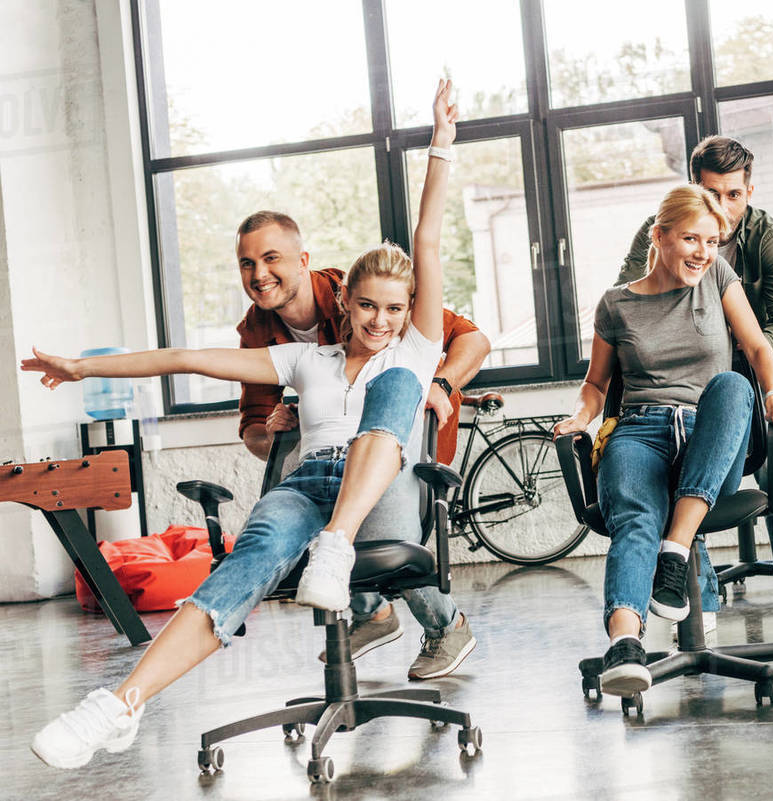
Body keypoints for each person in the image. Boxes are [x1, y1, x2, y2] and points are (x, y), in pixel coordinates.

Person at [26, 81, 467, 771]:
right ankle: (118, 706)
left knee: (397, 388)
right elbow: (185, 356)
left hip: (381, 493)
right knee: (243, 567)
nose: (381, 321)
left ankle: (336, 546)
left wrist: (440, 141)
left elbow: (427, 241)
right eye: (367, 306)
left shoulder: (412, 351)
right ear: (344, 304)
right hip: (308, 486)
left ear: (409, 311)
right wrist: (82, 368)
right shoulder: (305, 359)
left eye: (394, 308)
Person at [555, 184, 773, 697]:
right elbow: (596, 384)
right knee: (634, 519)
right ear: (659, 236)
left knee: (733, 384)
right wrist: (581, 416)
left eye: (711, 242)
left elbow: (758, 347)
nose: (703, 252)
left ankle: (676, 550)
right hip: (639, 432)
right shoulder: (616, 305)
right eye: (691, 239)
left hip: (709, 437)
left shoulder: (717, 277)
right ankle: (625, 646)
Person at [234, 210, 490, 670]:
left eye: (271, 259)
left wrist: (440, 383)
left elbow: (472, 340)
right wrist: (282, 432)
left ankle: (445, 626)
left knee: (379, 521)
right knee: (317, 499)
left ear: (302, 260)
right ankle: (373, 615)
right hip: (330, 457)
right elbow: (254, 432)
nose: (259, 274)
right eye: (247, 263)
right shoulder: (257, 332)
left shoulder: (364, 291)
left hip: (402, 443)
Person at [617, 136, 773, 643]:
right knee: (679, 460)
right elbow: (629, 305)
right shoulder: (660, 230)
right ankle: (699, 598)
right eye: (712, 193)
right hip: (683, 381)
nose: (724, 206)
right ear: (694, 187)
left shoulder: (769, 237)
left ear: (748, 191)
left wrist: (732, 342)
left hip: (754, 376)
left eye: (734, 194)